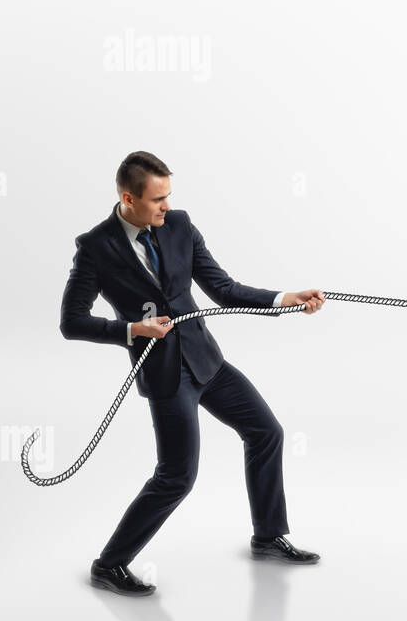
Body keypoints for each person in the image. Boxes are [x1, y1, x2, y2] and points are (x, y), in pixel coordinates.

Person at [60, 151, 326, 596]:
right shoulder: (95, 247)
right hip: (165, 374)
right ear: (128, 198)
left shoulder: (179, 225)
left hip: (206, 360)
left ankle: (267, 536)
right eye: (157, 199)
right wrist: (131, 330)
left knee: (266, 432)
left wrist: (287, 297)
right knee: (178, 475)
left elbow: (223, 288)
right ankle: (109, 565)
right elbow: (71, 321)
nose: (166, 206)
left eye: (169, 196)